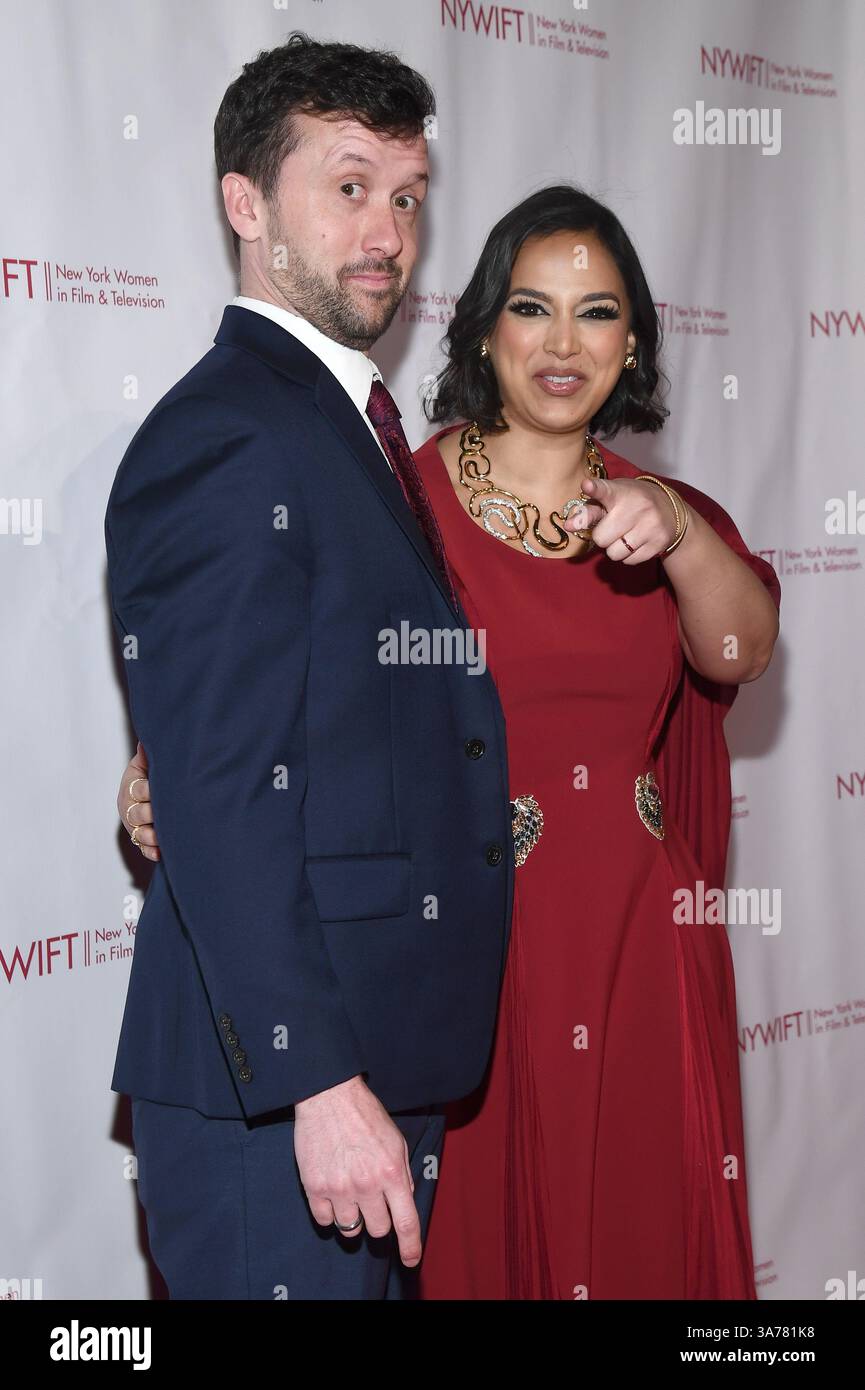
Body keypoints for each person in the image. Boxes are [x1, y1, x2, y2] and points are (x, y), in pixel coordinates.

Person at [119, 184, 781, 1299]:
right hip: (463, 953)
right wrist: (168, 772)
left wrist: (673, 529)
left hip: (633, 946)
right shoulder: (398, 502)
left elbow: (738, 649)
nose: (563, 343)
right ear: (482, 327)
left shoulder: (670, 518)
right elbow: (276, 679)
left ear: (634, 344)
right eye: (532, 306)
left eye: (599, 312)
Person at [105, 32, 515, 1301]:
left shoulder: (345, 424)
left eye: (405, 195)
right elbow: (221, 797)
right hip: (282, 1101)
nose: (385, 228)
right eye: (346, 186)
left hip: (371, 1064)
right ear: (246, 203)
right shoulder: (230, 436)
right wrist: (315, 1083)